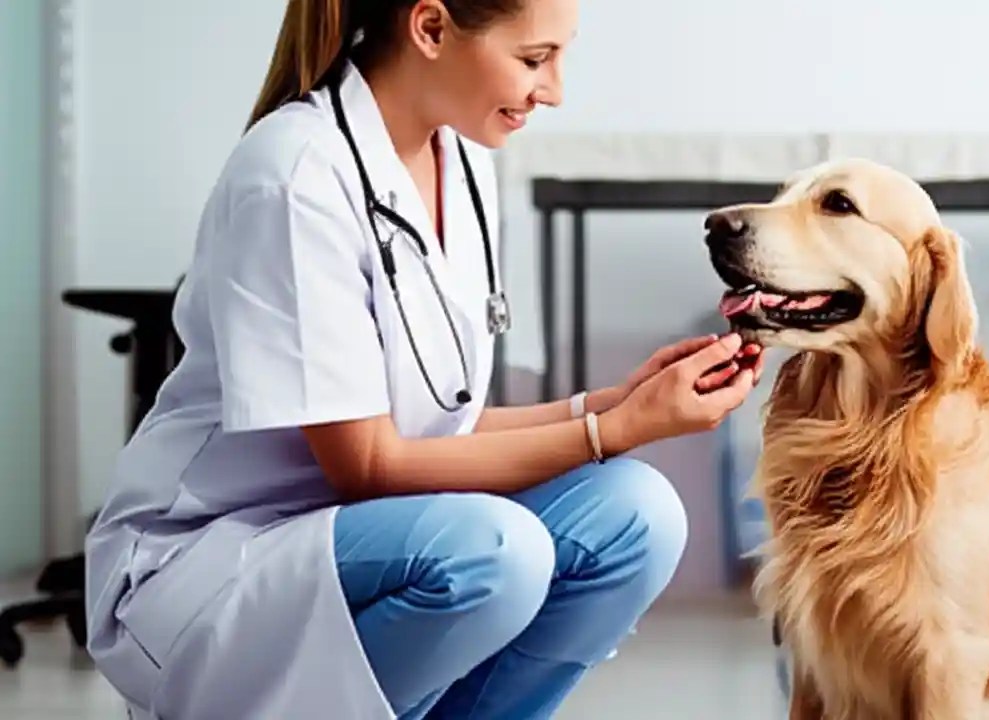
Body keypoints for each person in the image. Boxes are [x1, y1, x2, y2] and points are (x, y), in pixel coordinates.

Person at [83, 1, 763, 719]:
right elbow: (369, 464)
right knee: (494, 554)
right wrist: (617, 430)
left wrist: (613, 404)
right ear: (431, 29)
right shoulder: (295, 174)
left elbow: (438, 426)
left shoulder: (462, 161)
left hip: (370, 532)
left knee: (638, 512)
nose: (556, 89)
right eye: (535, 60)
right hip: (210, 560)